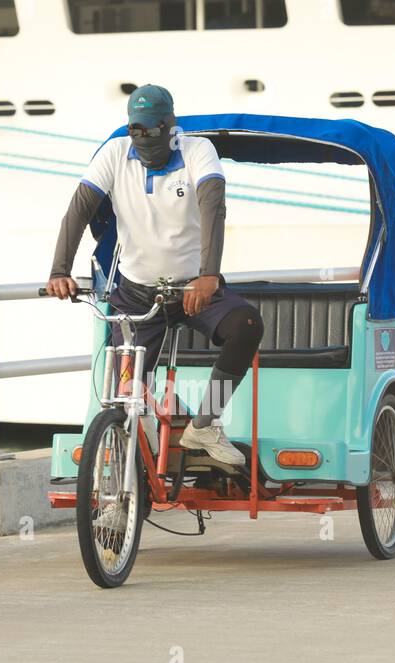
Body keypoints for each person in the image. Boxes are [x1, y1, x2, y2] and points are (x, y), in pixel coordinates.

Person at [46, 84, 263, 466]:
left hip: (194, 291)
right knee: (127, 392)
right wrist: (59, 271)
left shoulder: (197, 151)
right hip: (135, 294)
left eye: (152, 129)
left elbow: (214, 206)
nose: (143, 138)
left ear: (170, 124)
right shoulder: (115, 154)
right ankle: (126, 477)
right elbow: (79, 209)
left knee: (246, 325)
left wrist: (208, 275)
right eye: (136, 130)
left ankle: (205, 425)